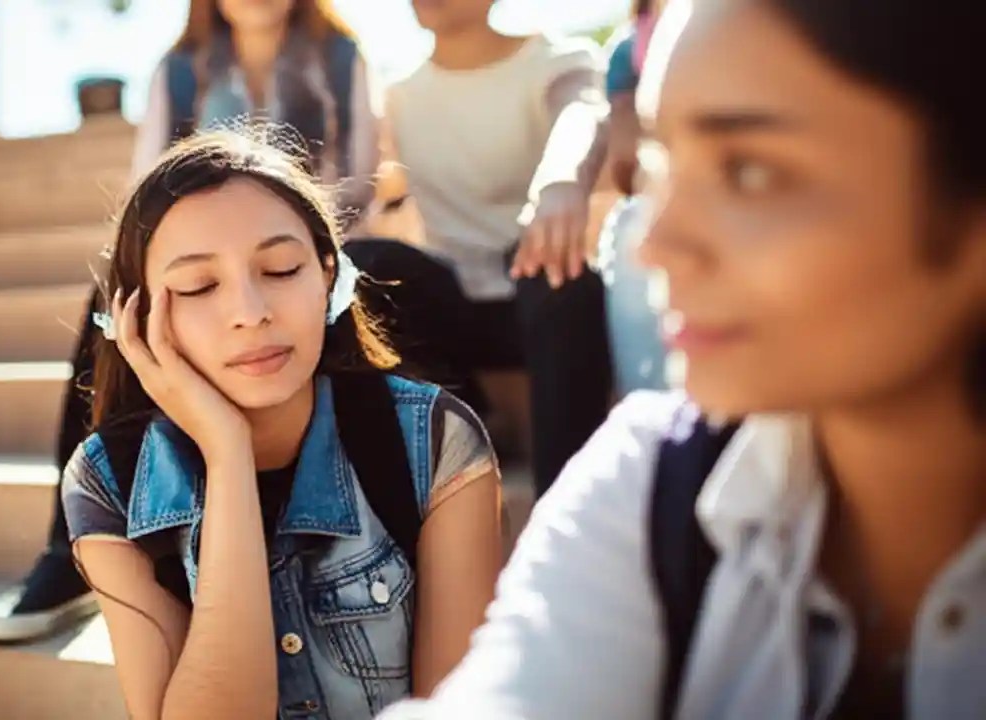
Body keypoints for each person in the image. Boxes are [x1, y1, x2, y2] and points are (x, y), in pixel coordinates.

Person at [380, 0, 986, 717]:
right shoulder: (653, 484)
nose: (653, 245)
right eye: (663, 162)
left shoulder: (551, 66)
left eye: (750, 173)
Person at [0, 0, 384, 642]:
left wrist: (289, 252)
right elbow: (149, 191)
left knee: (382, 267)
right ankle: (72, 547)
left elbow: (362, 176)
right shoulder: (181, 69)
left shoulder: (339, 54)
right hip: (204, 250)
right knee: (113, 298)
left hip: (317, 242)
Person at [61, 128, 502, 719]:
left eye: (281, 269)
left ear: (328, 277)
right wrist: (226, 452)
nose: (250, 313)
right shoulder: (108, 481)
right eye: (199, 286)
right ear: (137, 318)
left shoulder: (433, 442)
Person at [371, 0, 614, 494]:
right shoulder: (397, 95)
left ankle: (566, 498)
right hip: (454, 308)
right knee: (369, 264)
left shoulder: (557, 61)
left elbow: (581, 115)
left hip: (539, 291)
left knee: (559, 277)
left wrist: (561, 184)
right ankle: (469, 435)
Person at [597, 0, 669, 396]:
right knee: (633, 227)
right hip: (658, 194)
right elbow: (626, 167)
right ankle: (653, 401)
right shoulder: (629, 50)